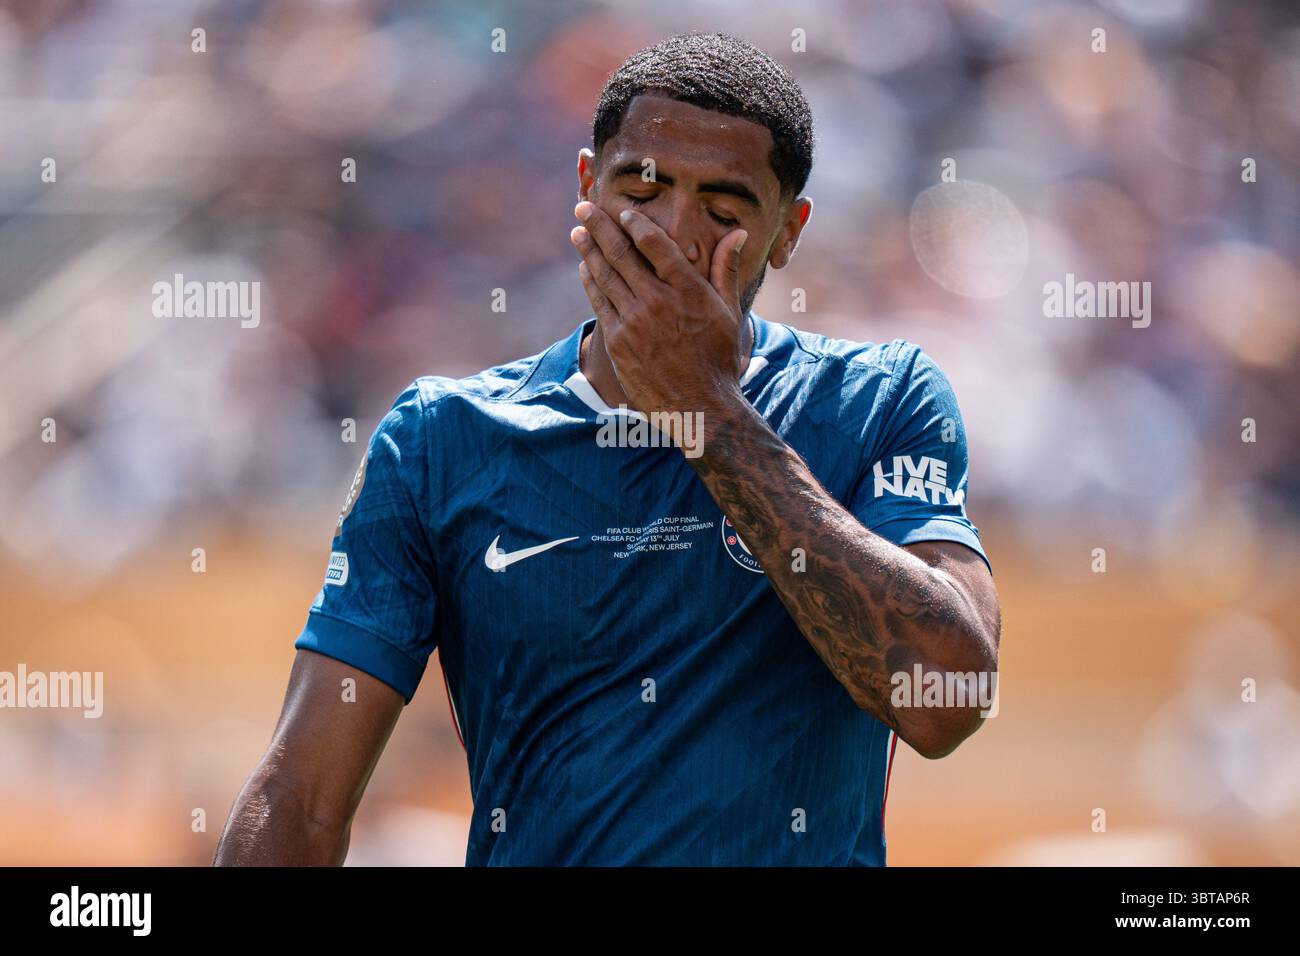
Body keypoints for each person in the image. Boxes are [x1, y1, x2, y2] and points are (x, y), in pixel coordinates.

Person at [216, 32, 1001, 867]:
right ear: (587, 186)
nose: (672, 234)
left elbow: (945, 701)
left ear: (787, 233)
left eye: (725, 211)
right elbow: (300, 800)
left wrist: (704, 408)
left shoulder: (878, 400)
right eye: (643, 189)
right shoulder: (440, 440)